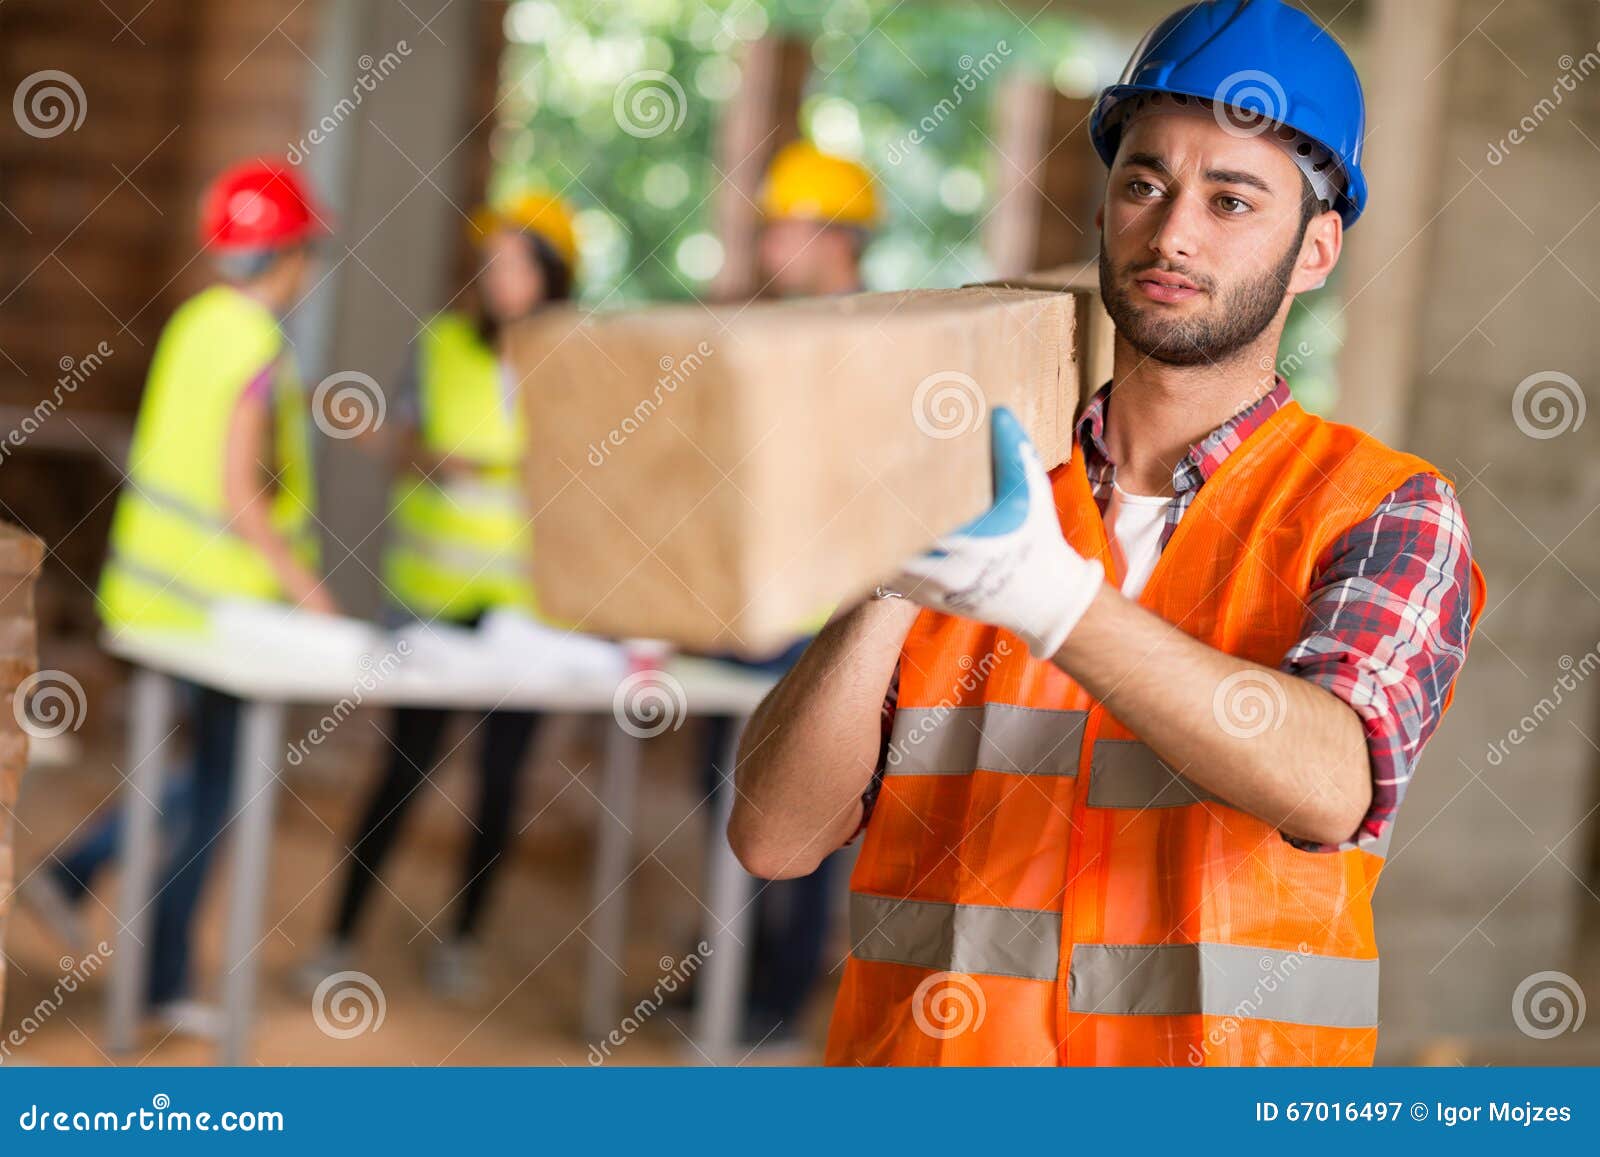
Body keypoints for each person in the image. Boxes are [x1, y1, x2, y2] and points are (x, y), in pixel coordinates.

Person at [730, 0, 1487, 1067]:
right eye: (1144, 183)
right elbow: (774, 835)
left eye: (1231, 200)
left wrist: (1051, 598)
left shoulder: (1379, 508)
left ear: (1316, 249)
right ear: (1103, 210)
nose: (1172, 231)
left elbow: (1332, 780)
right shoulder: (982, 489)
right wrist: (890, 579)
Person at [19, 158, 334, 1037]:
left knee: (195, 778)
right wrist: (312, 597)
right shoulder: (260, 344)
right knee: (225, 791)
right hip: (217, 613)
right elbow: (242, 491)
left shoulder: (198, 323)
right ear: (290, 254)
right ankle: (154, 974)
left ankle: (84, 883)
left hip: (157, 598)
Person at [295, 193, 578, 1002]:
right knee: (403, 772)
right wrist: (424, 452)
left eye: (517, 262)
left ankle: (462, 941)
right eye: (492, 261)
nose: (499, 277)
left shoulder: (579, 361)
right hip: (431, 603)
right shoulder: (442, 345)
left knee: (501, 780)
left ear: (553, 275)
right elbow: (397, 438)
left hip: (530, 612)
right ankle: (338, 937)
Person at [693, 140, 880, 1046]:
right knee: (725, 796)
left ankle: (778, 994)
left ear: (833, 235)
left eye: (784, 228)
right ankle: (724, 972)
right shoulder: (779, 330)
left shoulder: (873, 337)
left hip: (817, 624)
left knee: (803, 811)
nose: (770, 247)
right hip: (748, 612)